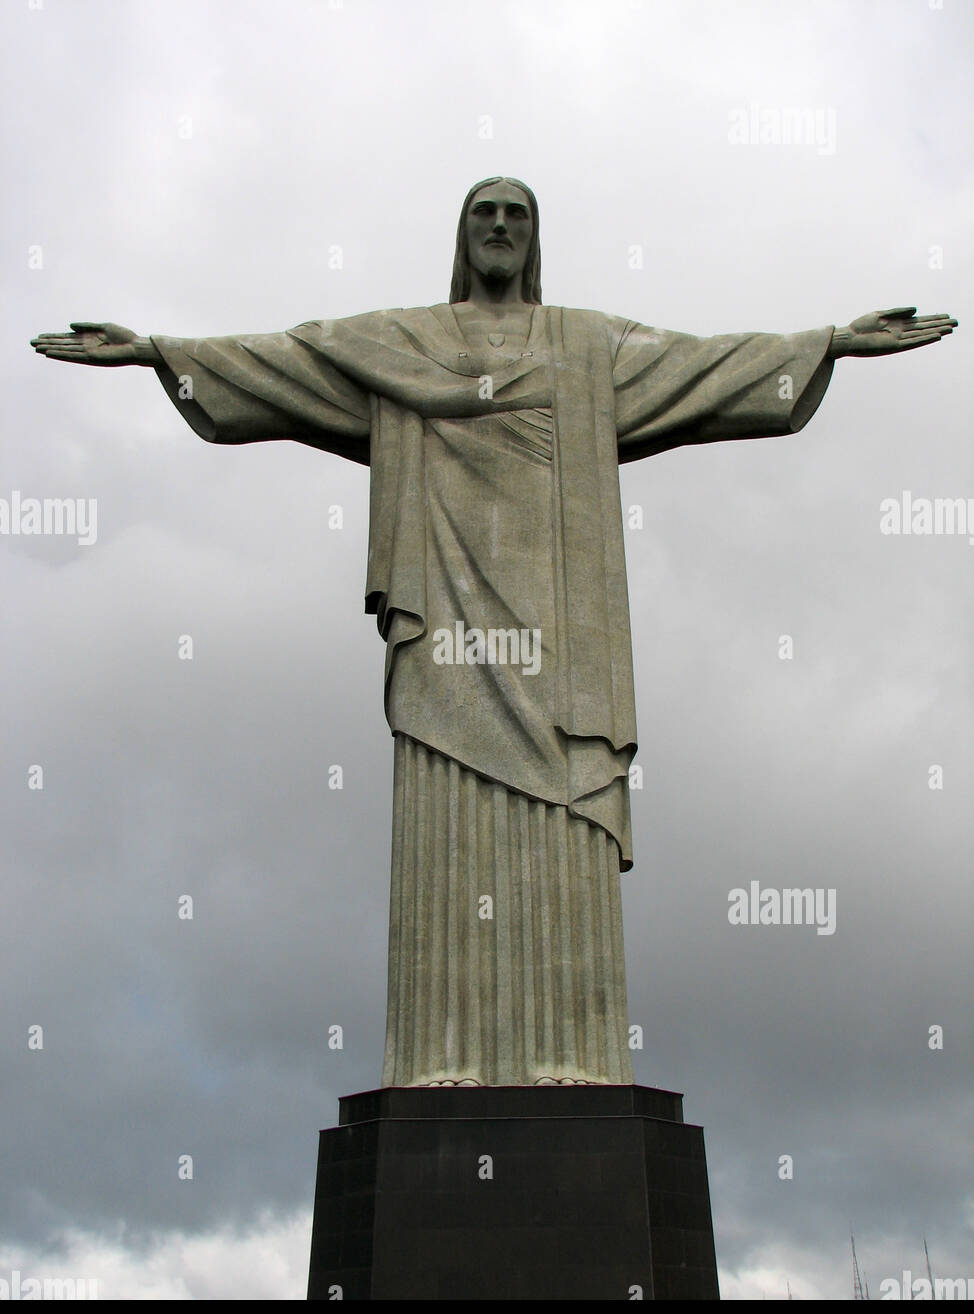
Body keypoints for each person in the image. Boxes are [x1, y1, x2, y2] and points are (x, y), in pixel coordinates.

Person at [31, 177, 957, 1087]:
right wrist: (158, 350)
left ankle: (578, 1062)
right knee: (449, 815)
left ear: (536, 238)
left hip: (561, 624)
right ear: (463, 234)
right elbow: (286, 360)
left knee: (560, 813)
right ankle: (441, 1060)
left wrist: (830, 340)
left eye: (518, 215)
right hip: (444, 619)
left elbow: (706, 363)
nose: (501, 228)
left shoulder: (588, 346)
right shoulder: (404, 344)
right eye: (486, 214)